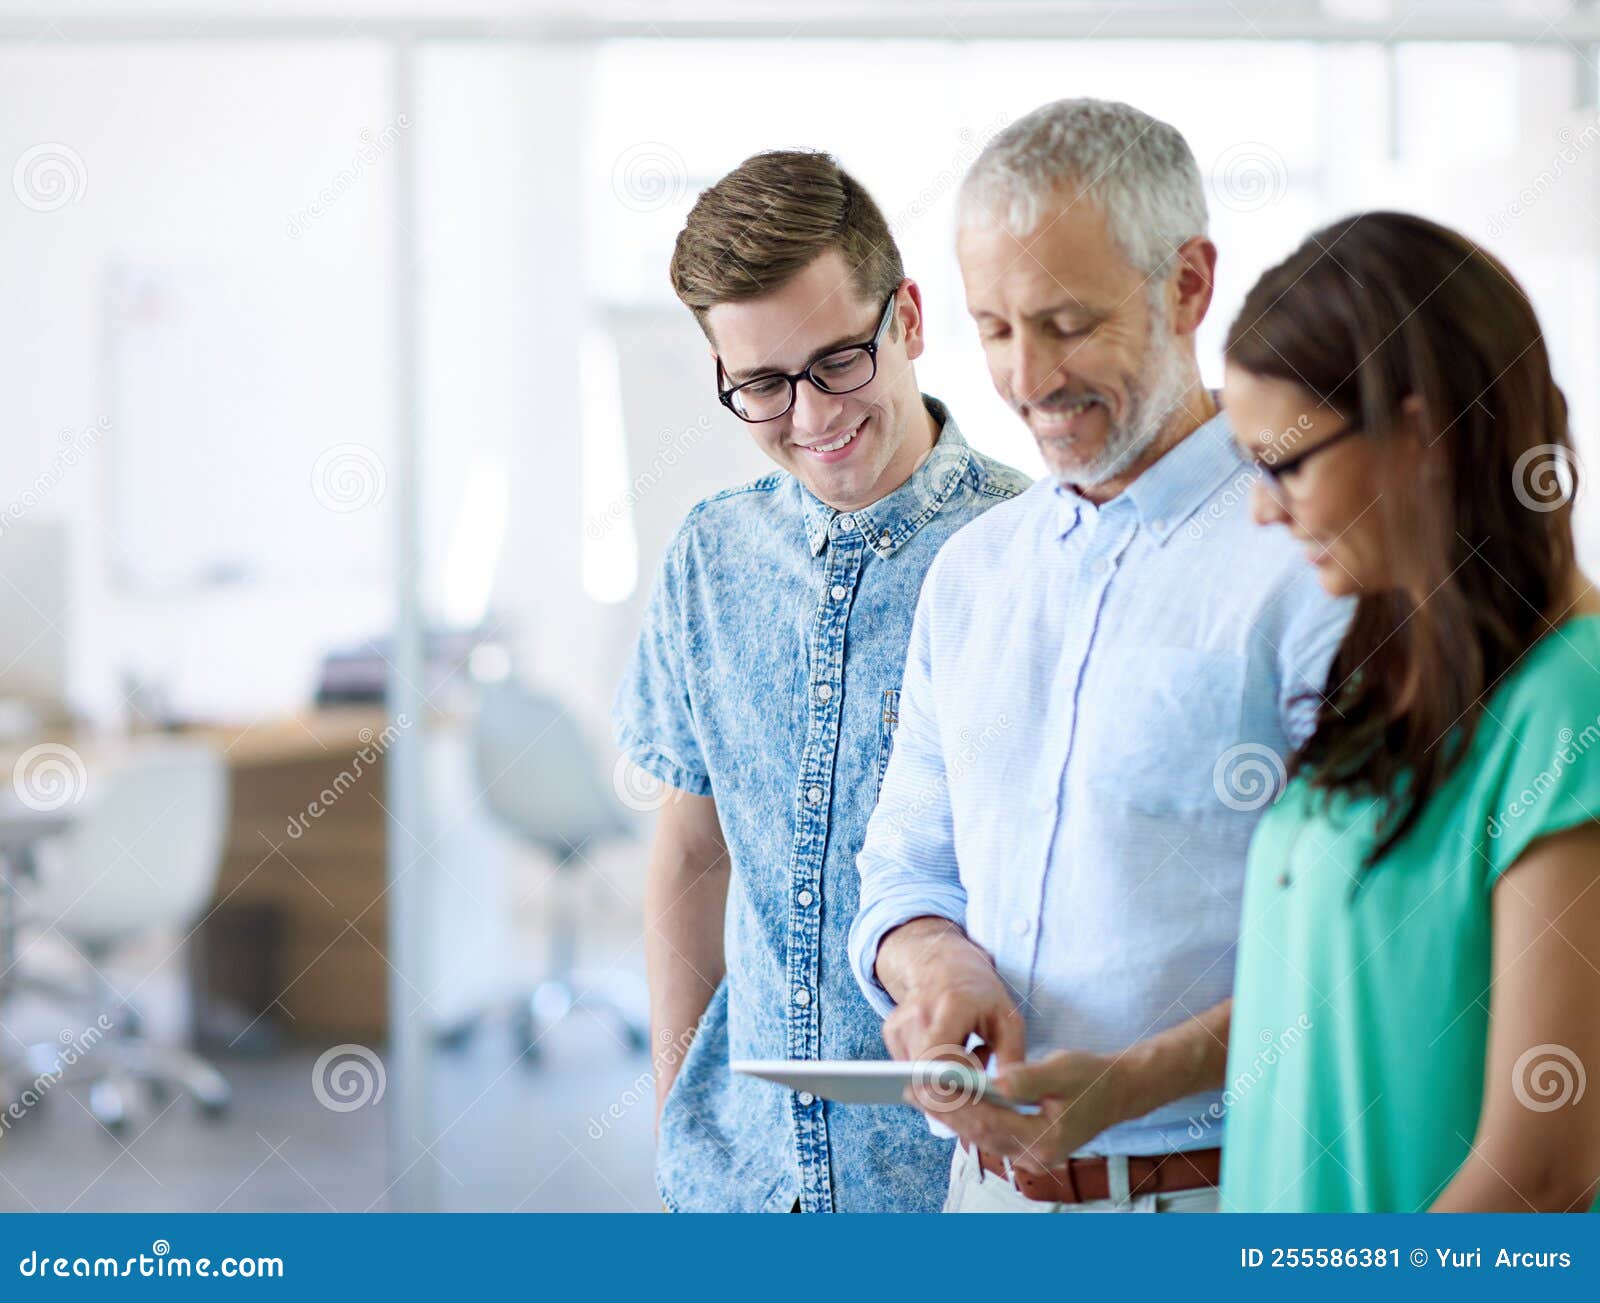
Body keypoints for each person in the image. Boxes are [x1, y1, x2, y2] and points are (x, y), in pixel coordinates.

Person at [848, 98, 1350, 1213]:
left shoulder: (1315, 560)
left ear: (1186, 285)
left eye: (1067, 323)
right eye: (992, 328)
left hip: (1223, 1202)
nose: (1026, 378)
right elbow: (905, 867)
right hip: (983, 1206)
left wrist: (1133, 1084)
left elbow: (1372, 940)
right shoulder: (971, 576)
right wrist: (938, 967)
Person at [613, 150, 1030, 1212]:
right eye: (758, 384)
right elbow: (691, 854)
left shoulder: (1029, 553)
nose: (809, 416)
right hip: (739, 1188)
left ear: (910, 320)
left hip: (960, 1183)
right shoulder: (708, 560)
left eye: (838, 359)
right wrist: (677, 1119)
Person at [1219, 210, 1600, 1212]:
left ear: (1421, 433)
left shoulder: (1573, 704)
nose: (1261, 508)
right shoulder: (1381, 670)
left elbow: (1540, 1168)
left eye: (1284, 462)